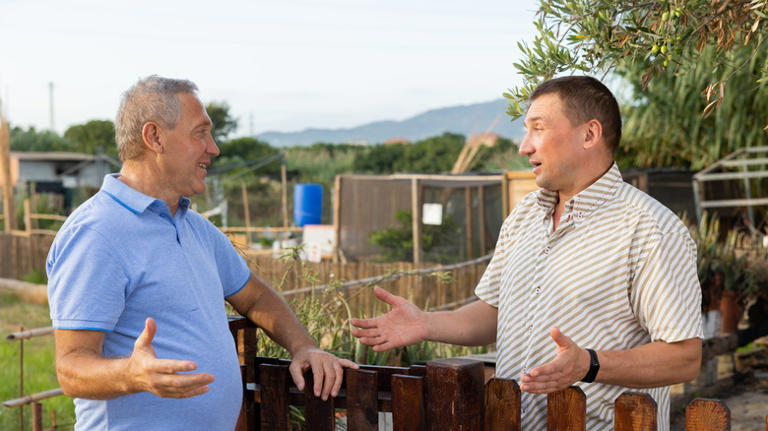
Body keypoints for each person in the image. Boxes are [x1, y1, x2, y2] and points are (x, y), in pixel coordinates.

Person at [351, 76, 702, 430]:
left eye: (538, 129)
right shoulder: (525, 215)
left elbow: (684, 358)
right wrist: (426, 323)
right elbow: (496, 311)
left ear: (589, 135)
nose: (524, 146)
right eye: (525, 130)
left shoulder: (651, 229)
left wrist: (589, 364)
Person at [47, 75, 358, 430]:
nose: (213, 148)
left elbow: (255, 298)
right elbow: (71, 368)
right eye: (200, 133)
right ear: (155, 137)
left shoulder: (195, 228)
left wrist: (304, 346)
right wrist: (133, 375)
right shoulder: (96, 234)